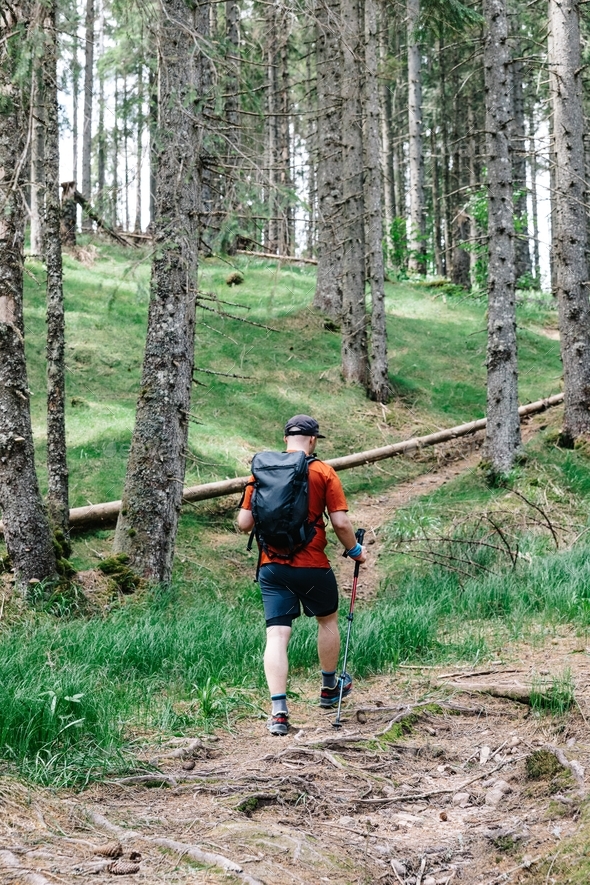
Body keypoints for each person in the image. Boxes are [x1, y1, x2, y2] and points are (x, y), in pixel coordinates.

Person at [237, 414, 367, 735]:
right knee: (328, 620)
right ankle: (328, 688)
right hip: (312, 566)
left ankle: (279, 711)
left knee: (277, 636)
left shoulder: (262, 471)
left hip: (271, 567)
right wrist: (355, 551)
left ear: (286, 439)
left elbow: (243, 523)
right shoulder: (323, 471)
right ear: (313, 440)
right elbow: (340, 523)